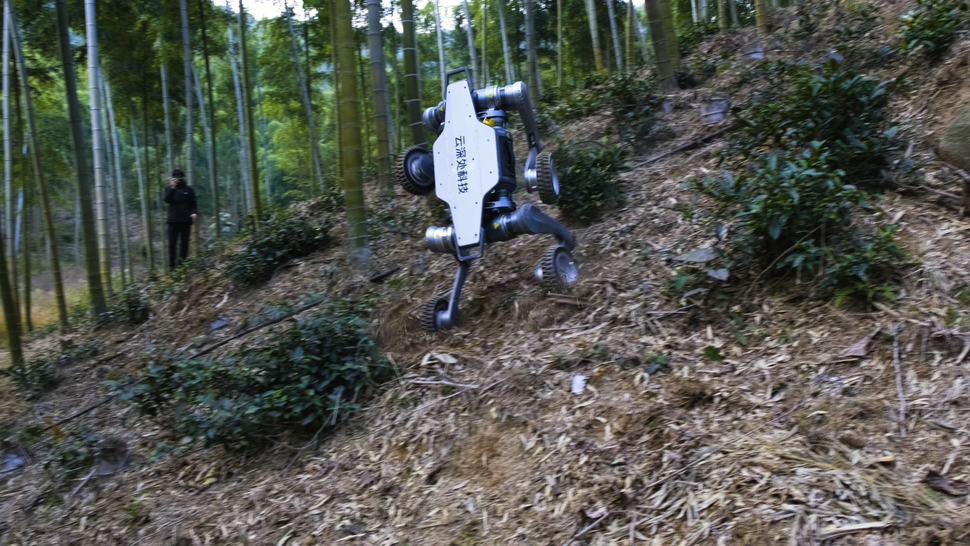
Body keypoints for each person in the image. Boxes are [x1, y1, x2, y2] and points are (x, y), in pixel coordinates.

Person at [164, 169, 197, 270]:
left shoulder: (189, 190)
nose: (177, 178)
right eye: (175, 176)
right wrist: (172, 188)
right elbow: (167, 200)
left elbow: (193, 203)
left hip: (185, 220)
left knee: (184, 243)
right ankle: (172, 266)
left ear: (182, 177)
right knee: (172, 244)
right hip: (173, 220)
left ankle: (182, 264)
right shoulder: (169, 189)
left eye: (179, 176)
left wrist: (194, 212)